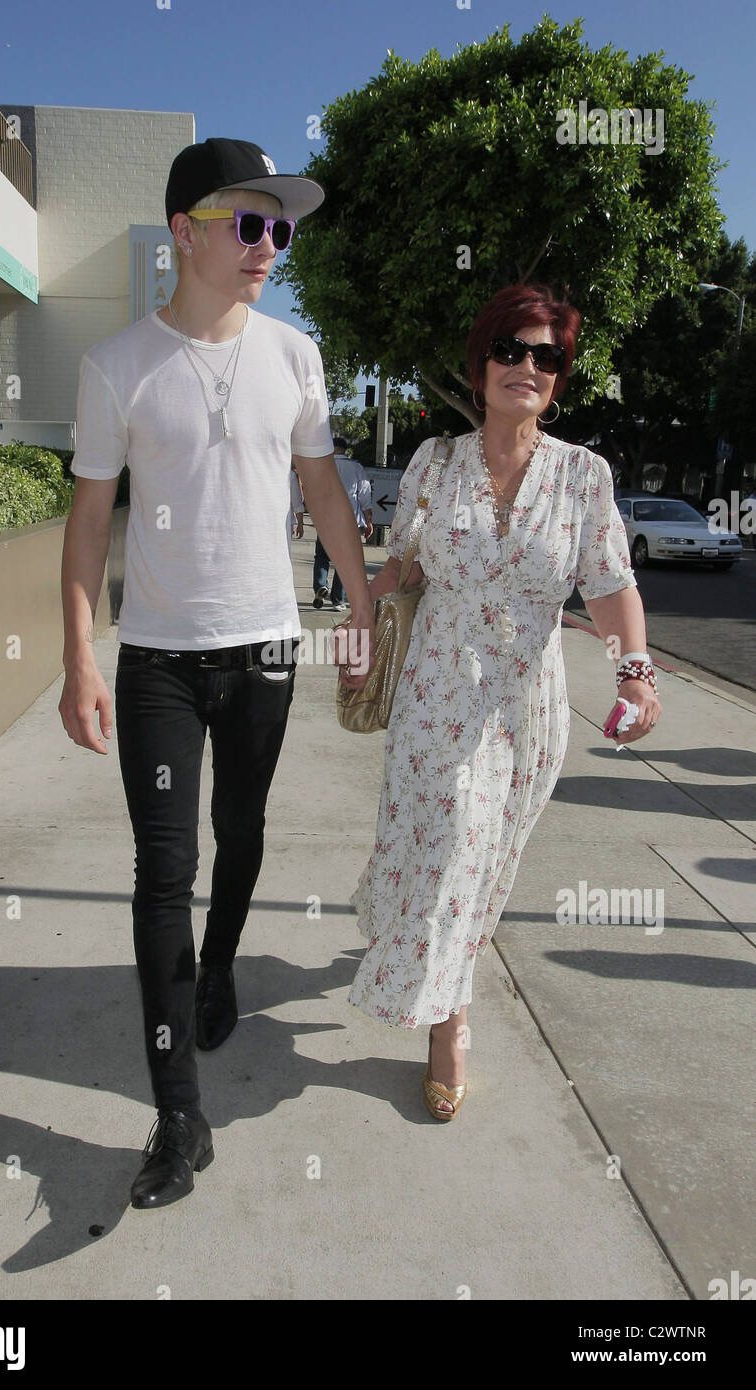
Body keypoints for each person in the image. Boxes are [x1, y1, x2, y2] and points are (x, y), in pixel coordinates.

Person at [59, 138, 374, 1209]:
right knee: (163, 872)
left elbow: (326, 492)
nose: (268, 247)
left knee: (242, 835)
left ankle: (225, 957)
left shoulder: (295, 356)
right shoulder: (115, 365)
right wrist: (76, 657)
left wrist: (362, 600)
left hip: (269, 645)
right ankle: (178, 1117)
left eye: (279, 229)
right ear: (187, 231)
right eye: (250, 224)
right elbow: (87, 523)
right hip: (156, 658)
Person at [342, 284, 661, 1120]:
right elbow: (405, 567)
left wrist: (636, 672)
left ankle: (435, 963)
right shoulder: (434, 463)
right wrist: (360, 623)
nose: (528, 367)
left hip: (526, 708)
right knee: (448, 842)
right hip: (437, 696)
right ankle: (451, 1024)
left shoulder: (584, 476)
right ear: (481, 365)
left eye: (546, 356)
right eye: (512, 351)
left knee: (481, 863)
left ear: (559, 376)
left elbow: (610, 586)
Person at [313, 437, 373, 609]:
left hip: (326, 517)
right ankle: (338, 599)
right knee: (346, 559)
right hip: (350, 519)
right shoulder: (356, 467)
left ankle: (320, 585)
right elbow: (364, 494)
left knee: (322, 556)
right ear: (346, 450)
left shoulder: (322, 466)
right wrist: (368, 519)